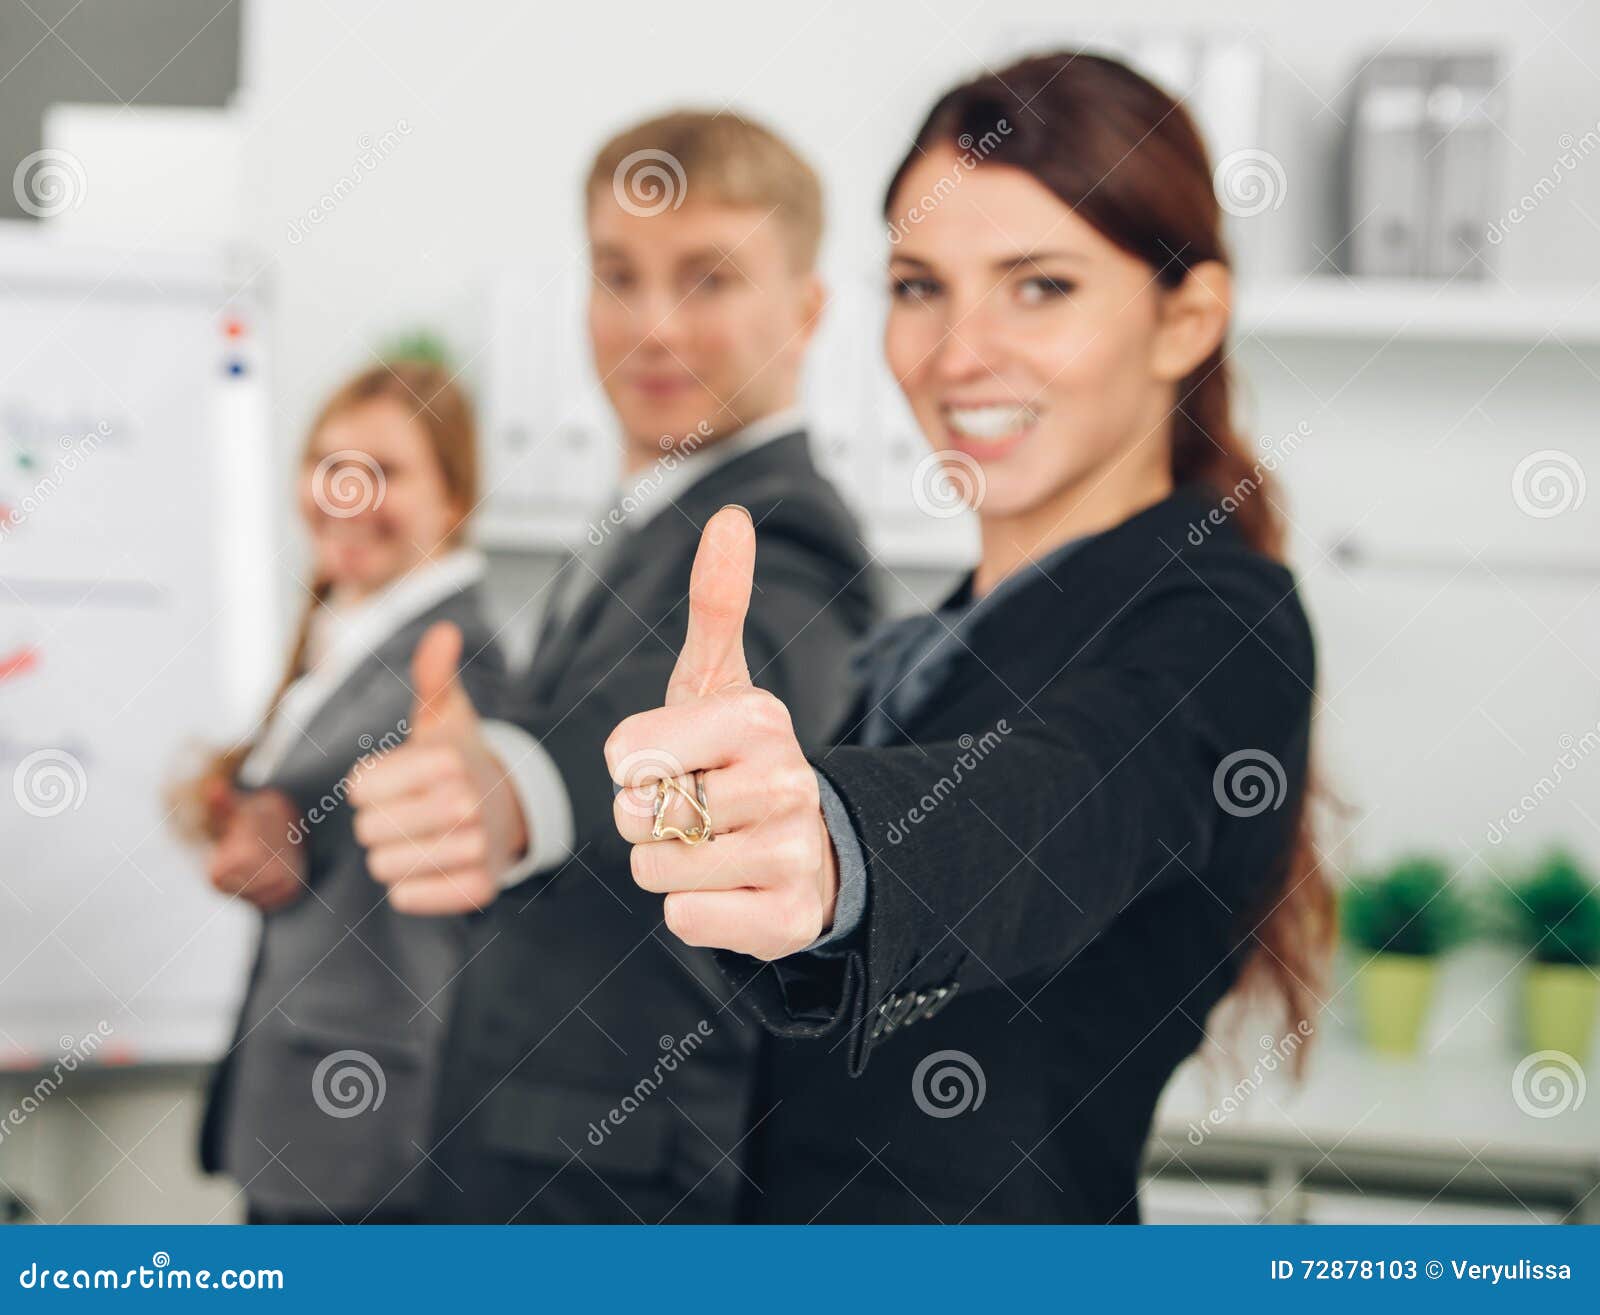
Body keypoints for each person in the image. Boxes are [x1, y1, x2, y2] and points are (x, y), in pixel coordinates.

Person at [604, 53, 1332, 1223]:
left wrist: (837, 845)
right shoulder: (933, 640)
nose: (957, 353)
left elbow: (1064, 799)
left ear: (1183, 319)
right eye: (918, 286)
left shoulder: (1224, 622)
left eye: (1038, 286)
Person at [346, 111, 878, 1222]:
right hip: (531, 1144)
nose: (652, 326)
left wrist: (511, 789)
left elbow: (677, 705)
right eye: (617, 276)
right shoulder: (637, 522)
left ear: (808, 310)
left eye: (708, 279)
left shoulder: (783, 535)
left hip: (616, 1174)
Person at [177, 361, 505, 1223]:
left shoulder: (454, 663)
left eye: (386, 470)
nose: (347, 492)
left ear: (455, 499)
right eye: (328, 463)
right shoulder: (346, 635)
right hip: (307, 1105)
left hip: (369, 1125)